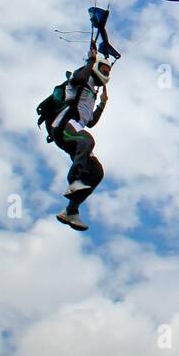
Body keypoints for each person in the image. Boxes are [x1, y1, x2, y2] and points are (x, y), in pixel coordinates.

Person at [50, 40, 112, 231]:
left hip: (76, 130)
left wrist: (101, 105)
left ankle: (71, 210)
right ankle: (74, 180)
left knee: (96, 171)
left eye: (108, 71)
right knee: (87, 140)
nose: (106, 73)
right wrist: (90, 61)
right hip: (64, 125)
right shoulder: (81, 77)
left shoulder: (92, 91)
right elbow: (77, 80)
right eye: (103, 68)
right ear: (94, 66)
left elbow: (90, 122)